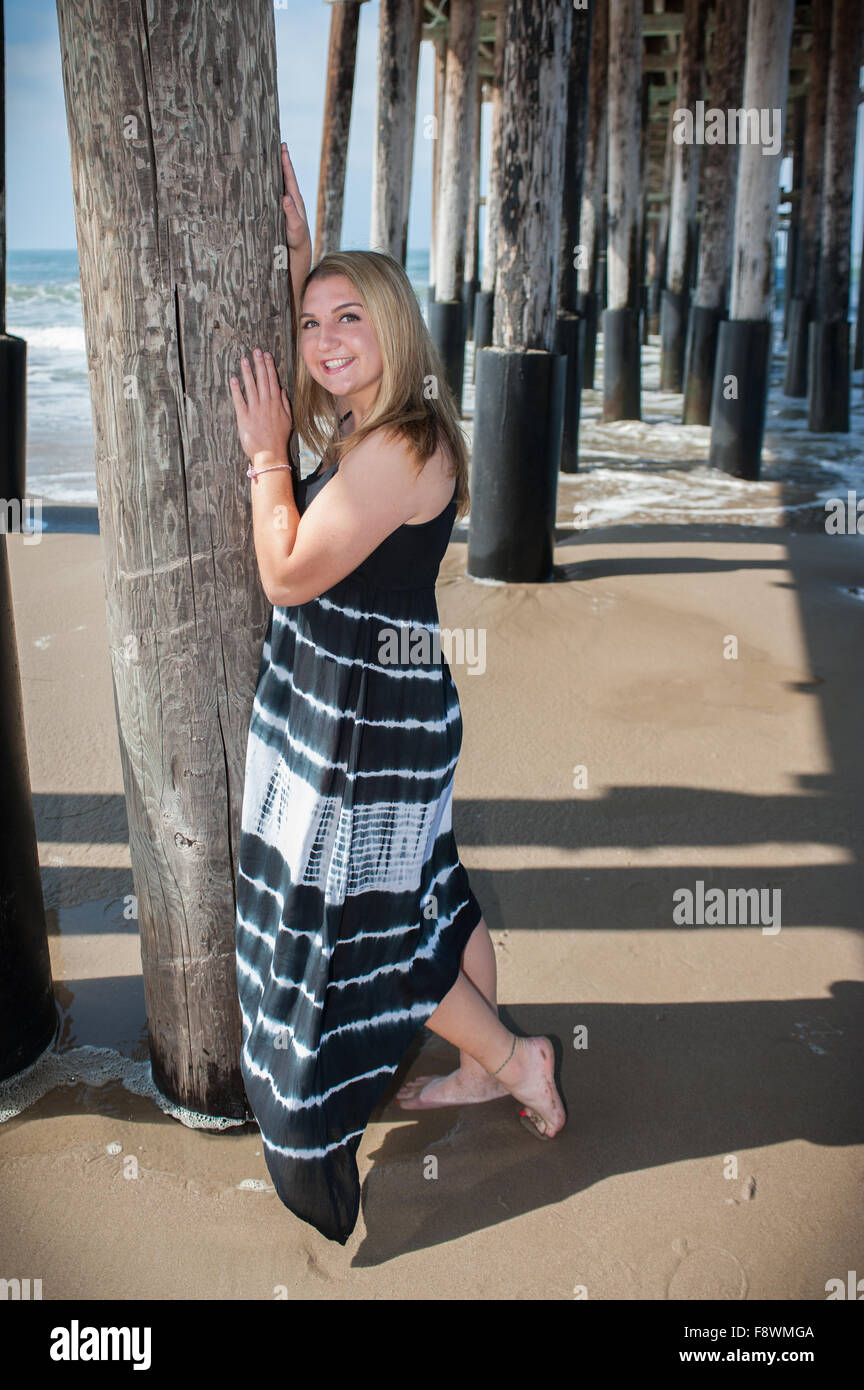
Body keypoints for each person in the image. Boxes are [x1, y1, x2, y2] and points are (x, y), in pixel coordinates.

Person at [229, 144, 565, 1245]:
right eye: (312, 321)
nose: (322, 341)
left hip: (365, 723)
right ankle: (485, 1060)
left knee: (375, 929)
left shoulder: (397, 445)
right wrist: (295, 258)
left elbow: (285, 571)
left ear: (396, 331)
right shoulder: (390, 424)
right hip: (387, 706)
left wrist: (265, 458)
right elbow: (335, 377)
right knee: (429, 885)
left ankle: (515, 1058)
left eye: (347, 322)